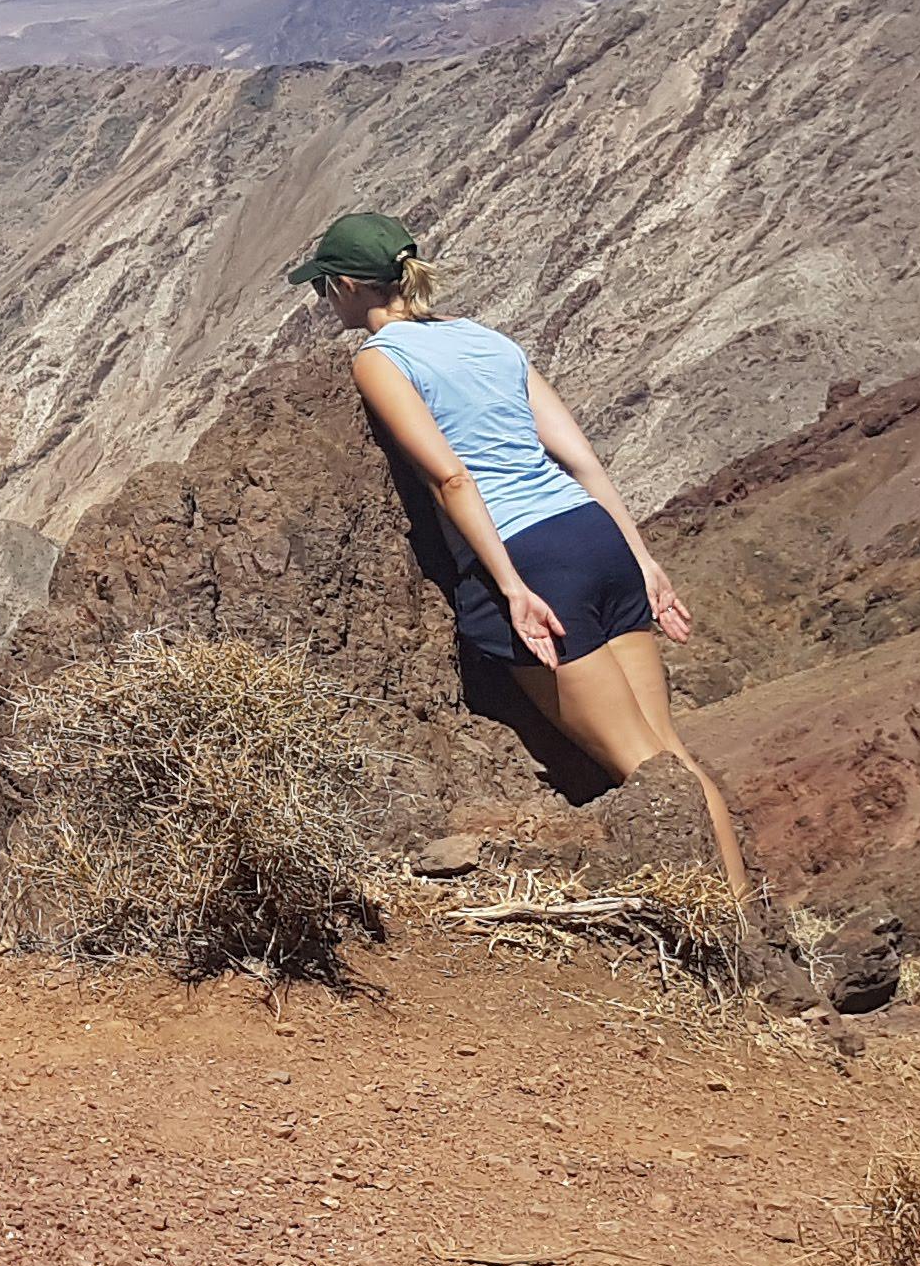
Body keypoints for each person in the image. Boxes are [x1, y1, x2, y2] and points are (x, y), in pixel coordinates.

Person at [286, 211, 755, 906]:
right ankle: (747, 921)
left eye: (325, 287)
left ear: (350, 286)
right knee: (670, 754)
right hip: (592, 536)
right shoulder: (486, 337)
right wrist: (643, 561)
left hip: (532, 558)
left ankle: (716, 933)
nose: (325, 301)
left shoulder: (380, 361)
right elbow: (579, 457)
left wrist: (508, 585)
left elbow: (452, 479)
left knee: (644, 768)